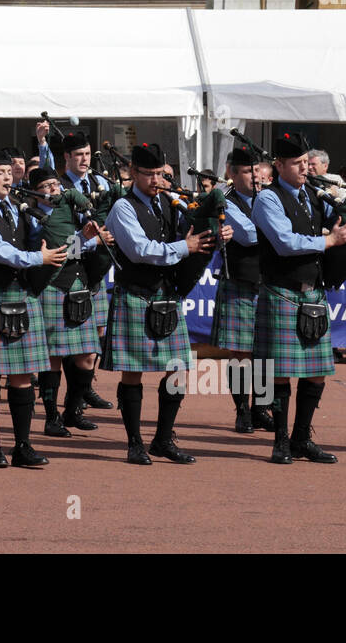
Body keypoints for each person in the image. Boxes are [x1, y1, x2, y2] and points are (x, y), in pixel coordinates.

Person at [251, 133, 346, 464]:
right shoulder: (267, 200)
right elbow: (285, 242)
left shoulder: (315, 195)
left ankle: (302, 438)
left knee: (317, 371)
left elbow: (340, 222)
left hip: (313, 293)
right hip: (282, 292)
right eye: (297, 164)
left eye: (305, 163)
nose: (304, 168)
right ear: (279, 166)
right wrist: (330, 241)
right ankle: (280, 441)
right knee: (281, 371)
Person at [102, 142, 215, 465]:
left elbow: (190, 234)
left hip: (166, 297)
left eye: (160, 175)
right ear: (133, 173)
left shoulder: (169, 203)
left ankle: (163, 439)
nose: (156, 180)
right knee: (133, 373)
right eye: (149, 174)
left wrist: (213, 233)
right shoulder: (122, 208)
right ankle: (134, 443)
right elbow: (140, 250)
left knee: (178, 370)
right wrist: (186, 246)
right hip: (136, 294)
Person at [0, 150, 66, 468]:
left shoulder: (21, 209)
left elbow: (39, 239)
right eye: (0, 172)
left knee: (22, 377)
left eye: (9, 171)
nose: (7, 177)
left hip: (21, 296)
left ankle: (23, 445)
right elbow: (0, 252)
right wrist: (39, 259)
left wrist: (74, 236)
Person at [26, 167, 109, 437]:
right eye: (46, 186)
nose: (53, 189)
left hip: (79, 285)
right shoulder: (31, 216)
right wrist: (85, 240)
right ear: (35, 191)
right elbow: (58, 251)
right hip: (50, 287)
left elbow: (86, 244)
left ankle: (73, 411)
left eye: (55, 184)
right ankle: (52, 417)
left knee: (86, 356)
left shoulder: (73, 211)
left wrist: (91, 238)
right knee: (53, 358)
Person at [209, 144, 274, 433]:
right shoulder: (226, 200)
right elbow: (248, 236)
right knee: (241, 354)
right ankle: (242, 410)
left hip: (269, 282)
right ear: (233, 174)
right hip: (240, 282)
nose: (255, 175)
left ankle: (262, 408)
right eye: (247, 171)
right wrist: (277, 230)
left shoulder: (270, 198)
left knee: (267, 352)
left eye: (257, 169)